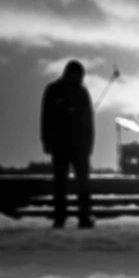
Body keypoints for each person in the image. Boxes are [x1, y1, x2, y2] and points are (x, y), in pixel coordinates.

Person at [40, 60, 95, 228]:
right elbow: (46, 118)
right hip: (70, 146)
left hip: (65, 145)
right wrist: (89, 144)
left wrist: (46, 141)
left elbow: (45, 119)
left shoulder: (54, 90)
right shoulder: (77, 92)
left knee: (64, 183)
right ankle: (78, 217)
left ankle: (64, 217)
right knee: (73, 183)